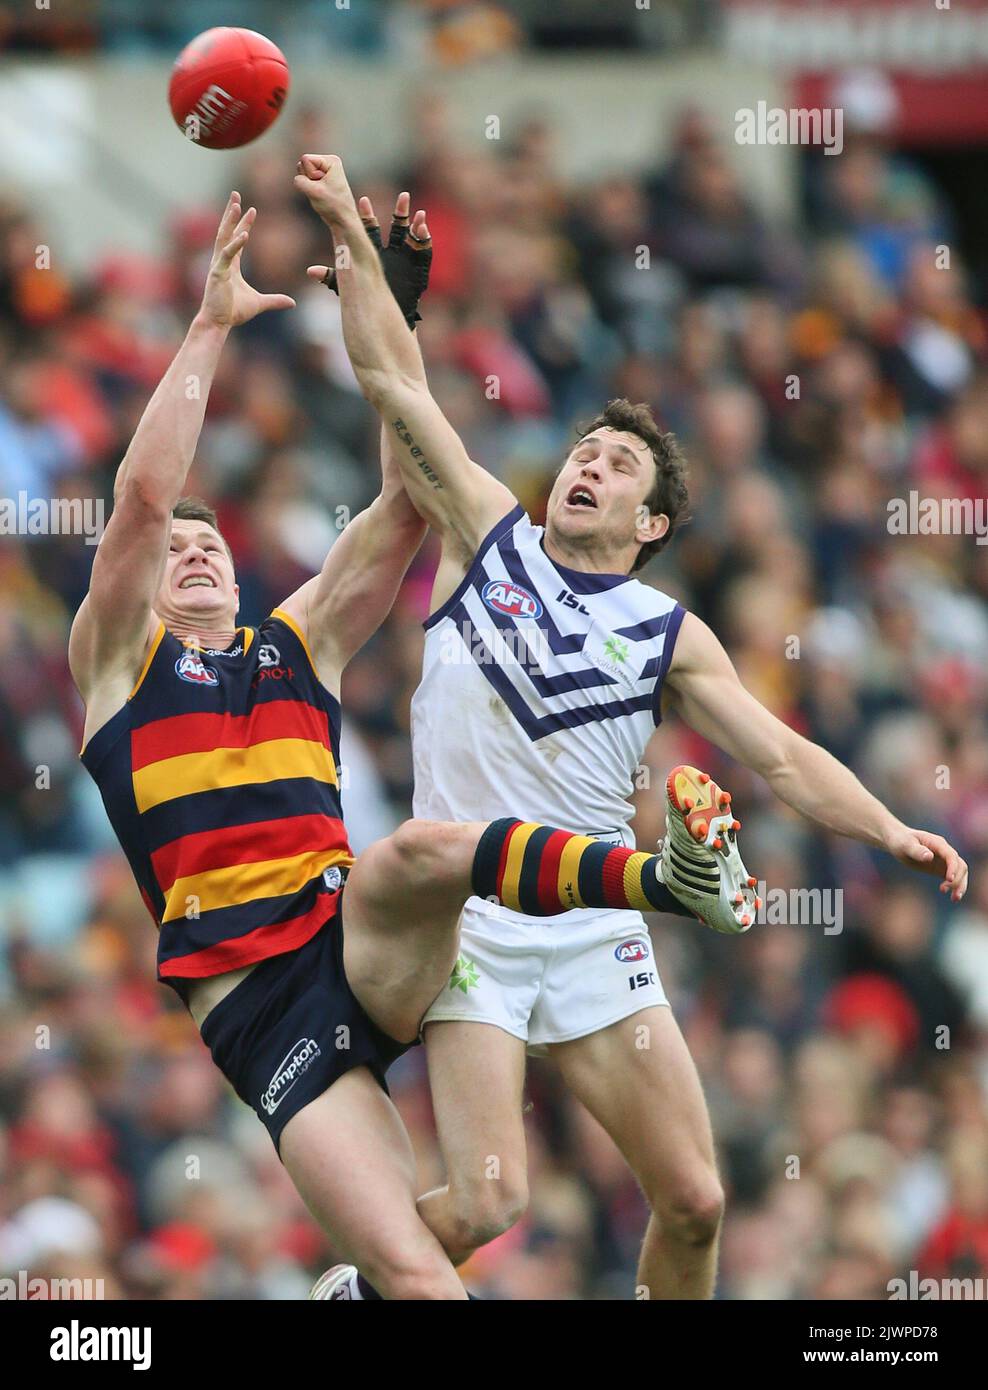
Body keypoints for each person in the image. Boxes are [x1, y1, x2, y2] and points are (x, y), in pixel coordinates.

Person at [294, 153, 969, 1301]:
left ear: (649, 518)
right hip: (474, 923)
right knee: (492, 1202)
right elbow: (396, 393)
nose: (587, 467)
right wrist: (371, 270)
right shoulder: (486, 540)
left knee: (698, 1201)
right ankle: (352, 1293)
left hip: (592, 925)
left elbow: (781, 756)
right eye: (582, 452)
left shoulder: (670, 632)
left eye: (616, 465)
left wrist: (888, 825)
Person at [68, 191, 731, 1301]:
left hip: (356, 945)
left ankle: (658, 880)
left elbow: (409, 499)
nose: (189, 549)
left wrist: (394, 306)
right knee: (434, 1269)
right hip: (255, 1002)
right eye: (173, 548)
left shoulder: (298, 639)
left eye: (209, 543)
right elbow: (140, 500)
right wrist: (211, 324)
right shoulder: (115, 672)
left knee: (425, 853)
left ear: (240, 576)